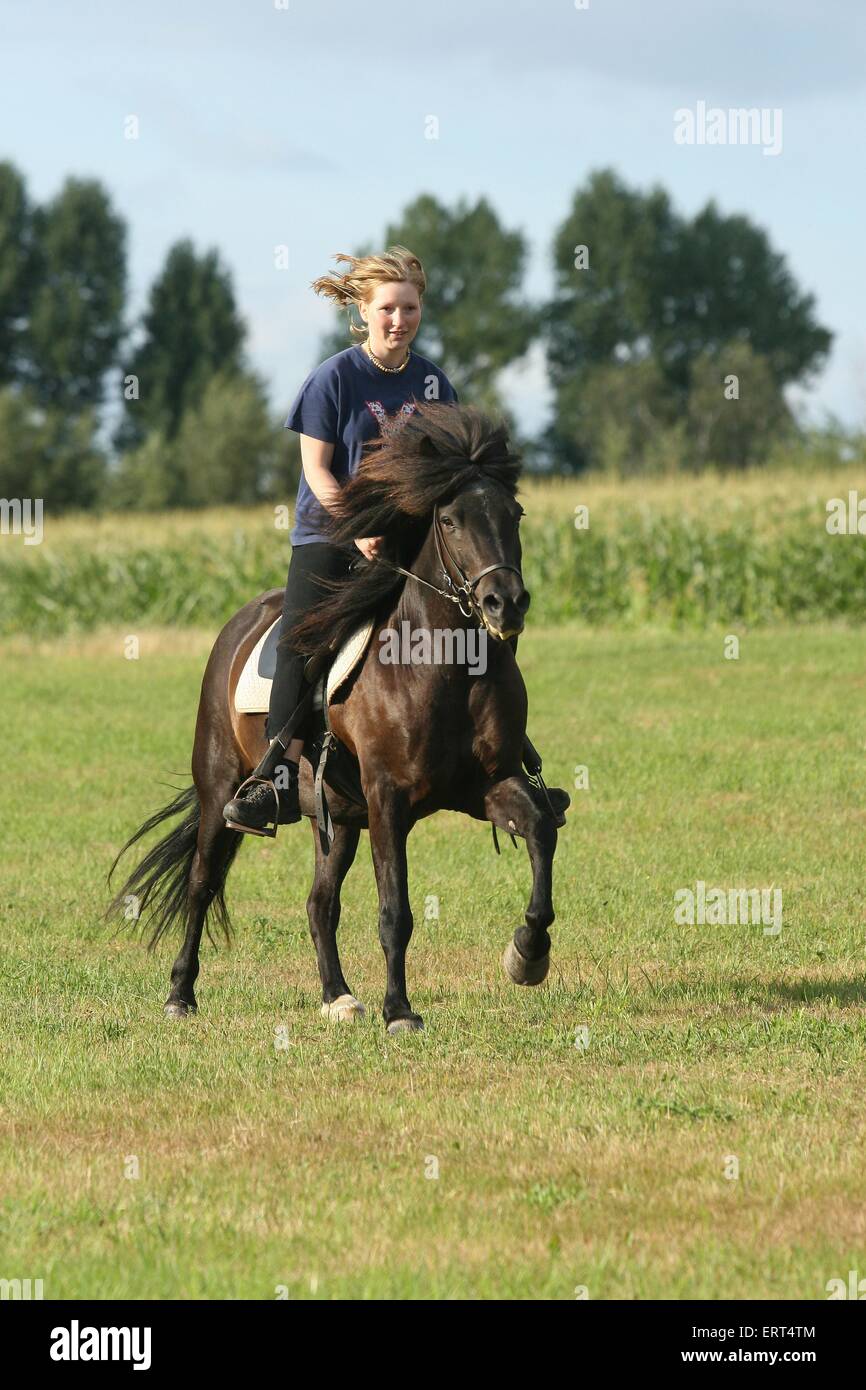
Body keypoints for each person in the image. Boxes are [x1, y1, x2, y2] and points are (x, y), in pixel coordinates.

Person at [223, 246, 459, 834]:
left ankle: (516, 761)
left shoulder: (435, 383)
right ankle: (272, 778)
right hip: (328, 535)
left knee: (470, 621)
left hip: (406, 542)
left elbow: (448, 471)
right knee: (301, 642)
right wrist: (360, 530)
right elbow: (318, 471)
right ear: (364, 309)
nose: (399, 319)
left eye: (410, 308)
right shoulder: (331, 378)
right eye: (388, 308)